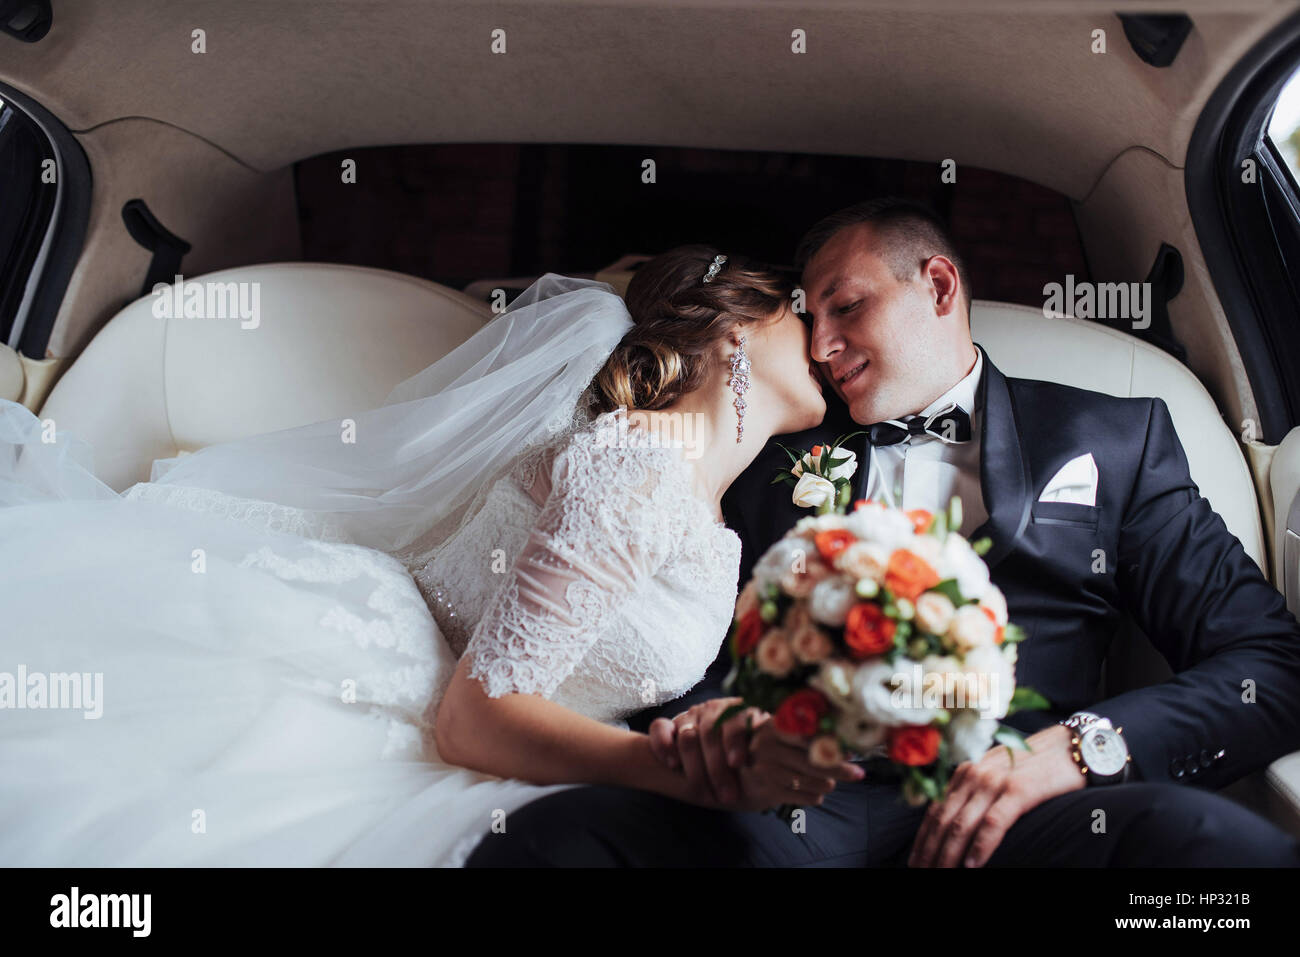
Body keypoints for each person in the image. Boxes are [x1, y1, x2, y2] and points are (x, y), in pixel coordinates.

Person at [466, 199, 1300, 867]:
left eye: (847, 306)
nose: (823, 345)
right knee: (562, 841)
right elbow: (658, 605)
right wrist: (701, 729)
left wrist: (1077, 752)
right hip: (772, 807)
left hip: (1020, 817)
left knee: (1210, 851)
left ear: (938, 286)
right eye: (808, 317)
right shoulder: (764, 441)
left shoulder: (1114, 438)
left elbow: (1273, 666)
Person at [0, 249, 837, 866]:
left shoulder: (698, 499)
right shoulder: (642, 467)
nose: (822, 335)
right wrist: (675, 773)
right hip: (420, 708)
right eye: (803, 310)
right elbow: (474, 716)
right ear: (737, 334)